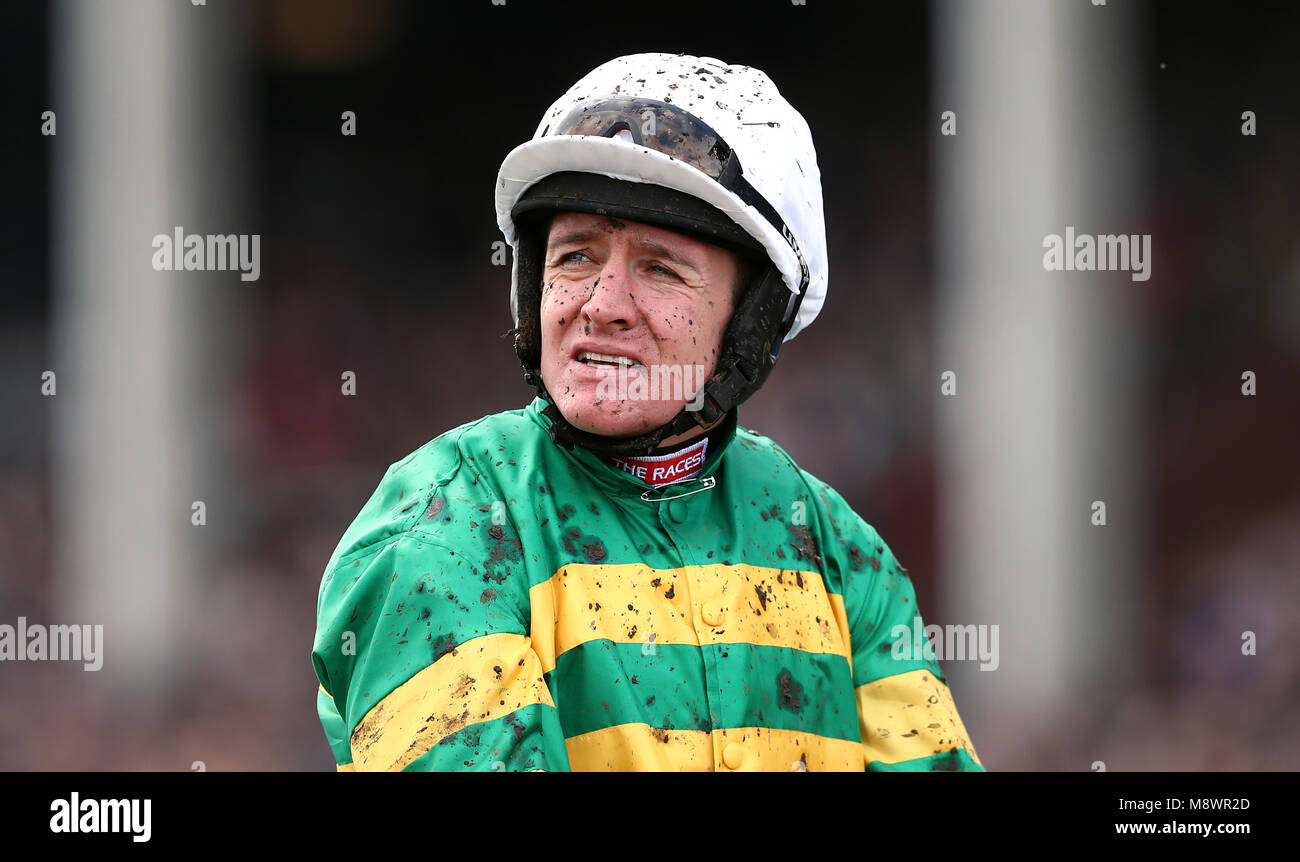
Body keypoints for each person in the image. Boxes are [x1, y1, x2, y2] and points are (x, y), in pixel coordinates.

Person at [311, 52, 983, 771]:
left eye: (659, 268)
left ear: (752, 322)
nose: (601, 306)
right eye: (575, 257)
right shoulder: (444, 524)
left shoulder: (843, 553)